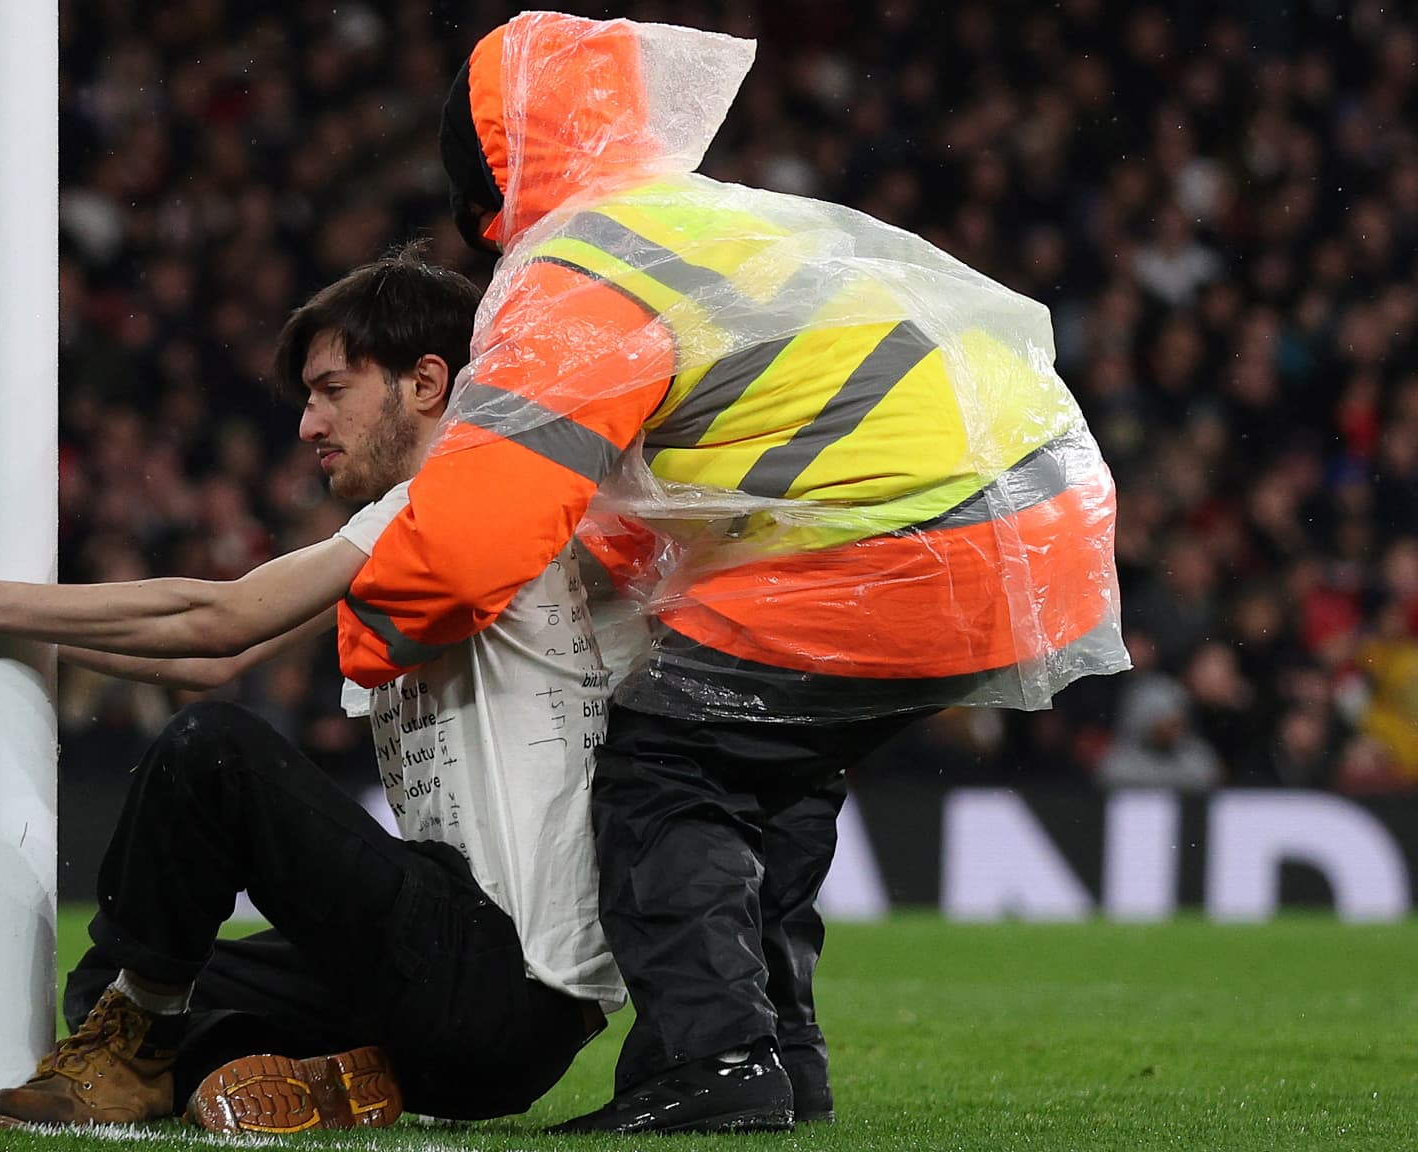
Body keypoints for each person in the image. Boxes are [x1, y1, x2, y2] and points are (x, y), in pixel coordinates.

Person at [337, 12, 1131, 1134]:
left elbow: (477, 529)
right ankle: (780, 1061)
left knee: (667, 773)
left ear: (483, 164)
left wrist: (372, 634)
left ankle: (715, 1064)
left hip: (887, 533)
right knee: (769, 774)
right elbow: (682, 480)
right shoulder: (713, 217)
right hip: (1028, 516)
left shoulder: (574, 265)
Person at [0, 249, 623, 1133]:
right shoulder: (456, 522)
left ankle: (170, 1060)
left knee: (214, 753)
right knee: (114, 983)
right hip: (464, 1011)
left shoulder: (463, 502)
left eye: (331, 389)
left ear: (426, 381)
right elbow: (208, 655)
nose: (309, 424)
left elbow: (218, 622)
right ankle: (335, 1081)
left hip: (497, 974)